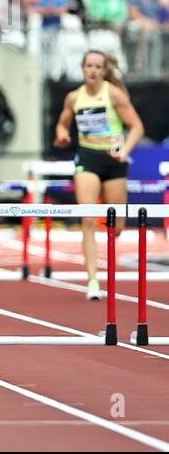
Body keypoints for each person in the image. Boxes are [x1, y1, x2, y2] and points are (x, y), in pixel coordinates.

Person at [53, 51, 144, 300]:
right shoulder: (74, 98)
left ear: (104, 71)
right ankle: (93, 279)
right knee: (88, 218)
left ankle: (107, 261)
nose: (93, 70)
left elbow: (137, 126)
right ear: (82, 69)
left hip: (113, 160)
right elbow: (62, 122)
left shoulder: (113, 94)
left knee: (117, 225)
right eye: (89, 66)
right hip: (88, 158)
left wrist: (125, 150)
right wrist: (62, 134)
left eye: (98, 67)